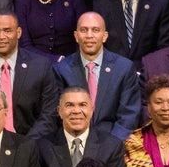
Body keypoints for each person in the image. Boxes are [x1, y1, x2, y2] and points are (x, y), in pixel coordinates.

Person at [52, 11, 142, 139]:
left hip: (112, 145)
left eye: (95, 30)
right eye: (84, 30)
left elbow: (128, 117)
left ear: (104, 36)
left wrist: (109, 148)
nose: (89, 35)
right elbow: (58, 116)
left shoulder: (124, 68)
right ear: (76, 36)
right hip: (74, 142)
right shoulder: (61, 70)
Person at [38, 85, 126, 167]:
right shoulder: (43, 147)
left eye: (82, 105)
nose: (76, 111)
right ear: (59, 111)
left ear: (92, 109)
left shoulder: (111, 146)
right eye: (69, 105)